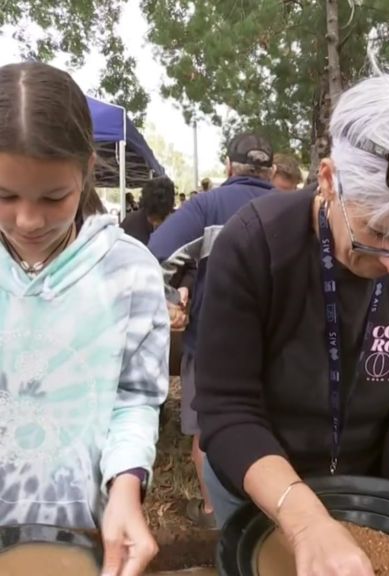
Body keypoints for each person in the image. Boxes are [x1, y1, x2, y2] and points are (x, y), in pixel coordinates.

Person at [195, 54, 389, 575]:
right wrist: (305, 520)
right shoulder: (254, 245)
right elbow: (226, 410)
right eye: (378, 234)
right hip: (260, 484)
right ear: (328, 179)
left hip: (372, 492)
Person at [0, 61, 166, 576]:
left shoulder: (129, 271)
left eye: (54, 197)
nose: (28, 220)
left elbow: (136, 397)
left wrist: (125, 487)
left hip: (84, 531)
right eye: (4, 195)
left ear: (87, 168)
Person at [147, 131, 276, 528]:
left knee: (209, 430)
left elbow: (154, 254)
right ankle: (267, 515)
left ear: (228, 166)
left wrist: (171, 297)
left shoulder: (206, 205)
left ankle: (214, 513)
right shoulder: (290, 207)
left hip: (211, 344)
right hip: (279, 345)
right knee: (269, 425)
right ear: (270, 170)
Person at [120, 176, 176, 245]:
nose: (156, 224)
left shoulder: (178, 225)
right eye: (153, 218)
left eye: (162, 218)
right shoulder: (130, 223)